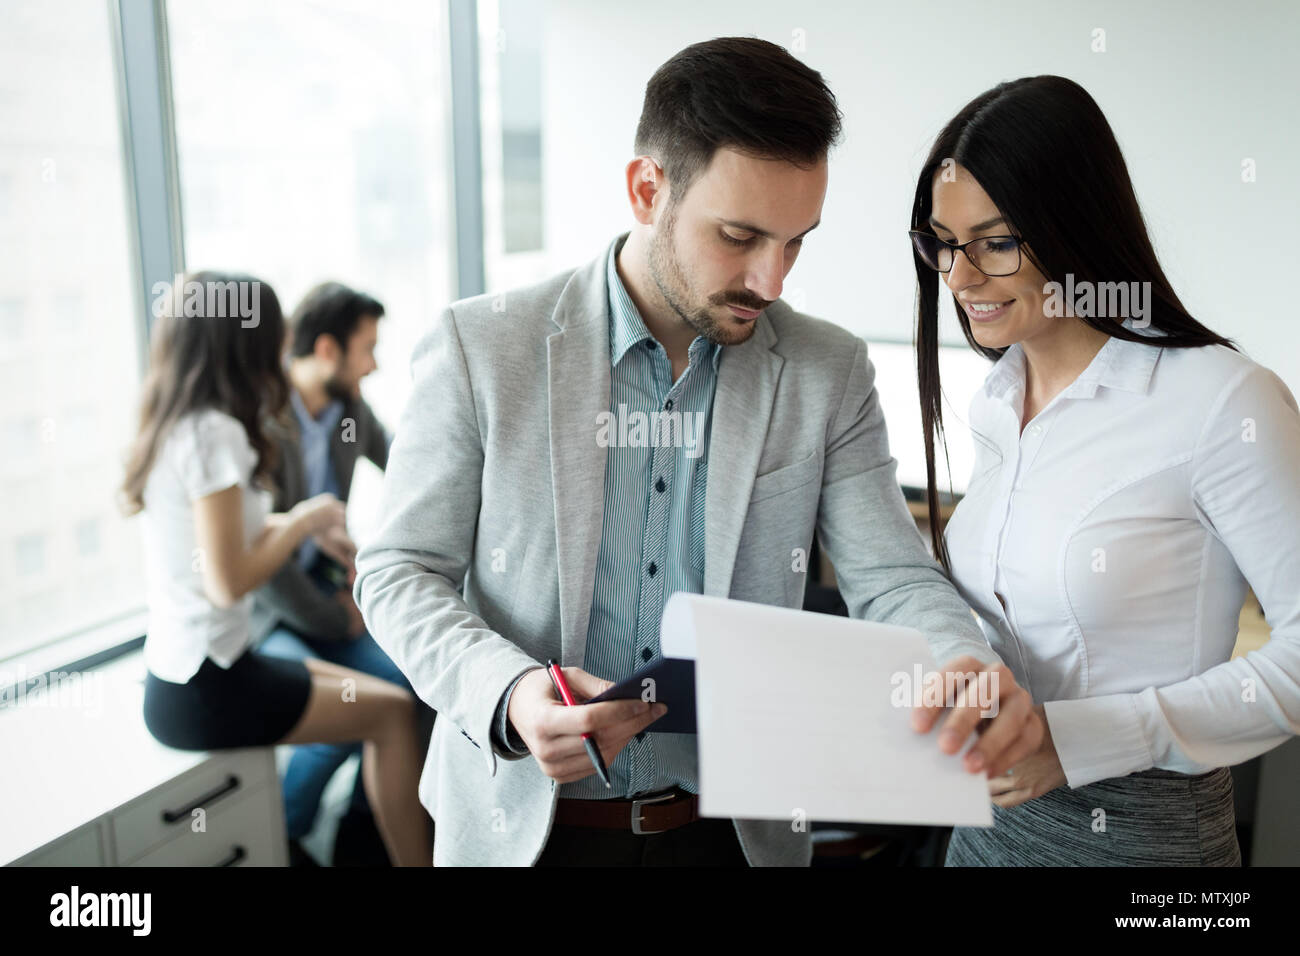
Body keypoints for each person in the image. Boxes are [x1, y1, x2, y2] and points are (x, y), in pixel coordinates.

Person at [354, 37, 1041, 868]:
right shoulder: (483, 348)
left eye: (796, 241)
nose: (772, 281)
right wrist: (510, 691)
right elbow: (398, 571)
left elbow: (892, 576)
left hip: (733, 837)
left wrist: (962, 661)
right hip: (526, 832)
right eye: (739, 236)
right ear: (648, 190)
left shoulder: (827, 370)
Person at [906, 75, 1300, 865]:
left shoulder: (1222, 401)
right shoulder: (997, 399)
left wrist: (1079, 739)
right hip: (983, 831)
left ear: (1076, 228)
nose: (958, 277)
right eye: (942, 243)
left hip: (1143, 840)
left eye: (995, 242)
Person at [120, 271, 431, 867]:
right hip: (211, 684)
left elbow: (230, 540)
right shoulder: (218, 434)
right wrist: (302, 523)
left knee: (390, 698)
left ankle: (341, 843)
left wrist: (306, 522)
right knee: (391, 714)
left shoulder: (182, 424)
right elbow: (229, 580)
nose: (280, 350)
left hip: (193, 673)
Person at [248, 281, 424, 860]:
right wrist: (339, 618)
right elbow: (267, 572)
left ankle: (360, 828)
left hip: (330, 597)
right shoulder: (263, 423)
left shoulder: (349, 410)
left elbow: (408, 466)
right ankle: (286, 828)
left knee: (407, 684)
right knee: (352, 710)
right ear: (327, 350)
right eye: (366, 349)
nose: (373, 365)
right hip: (273, 615)